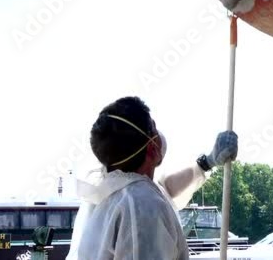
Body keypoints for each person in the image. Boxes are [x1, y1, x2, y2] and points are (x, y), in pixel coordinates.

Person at [67, 96, 238, 260]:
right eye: (154, 126)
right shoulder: (142, 204)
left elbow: (167, 189)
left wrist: (207, 162)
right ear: (151, 148)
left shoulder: (112, 195)